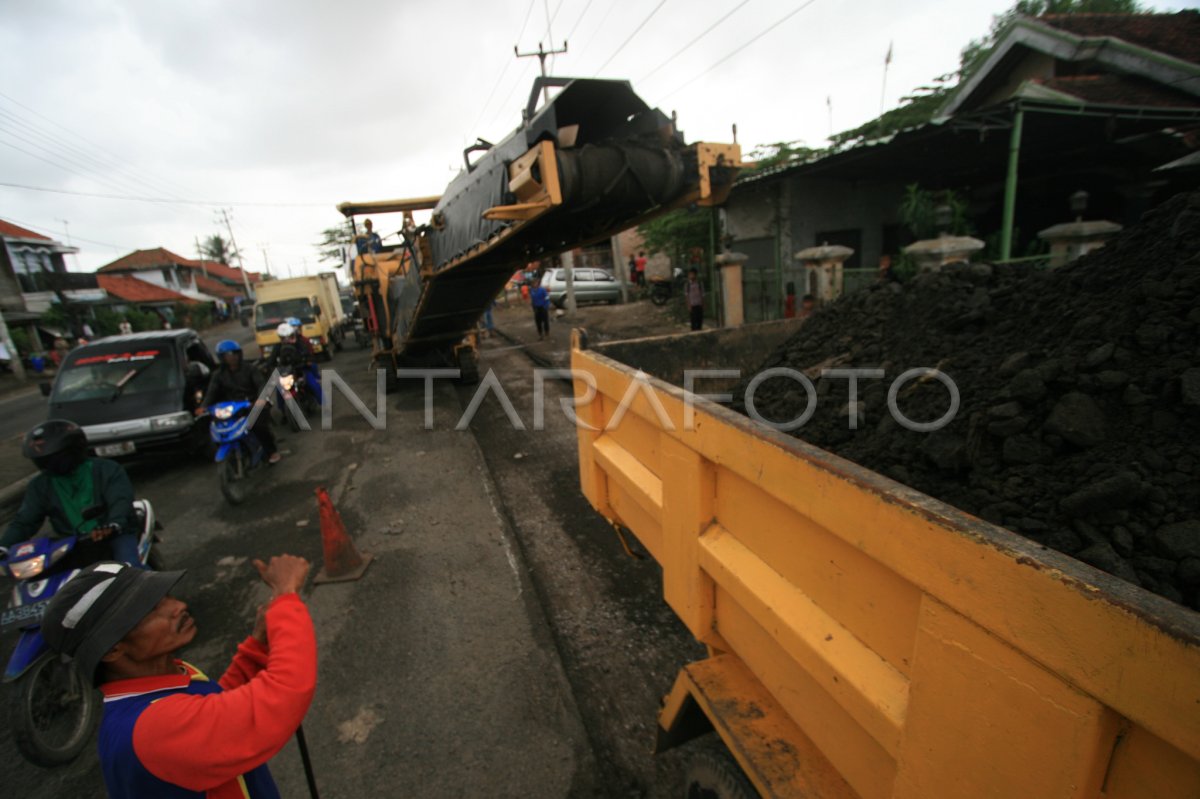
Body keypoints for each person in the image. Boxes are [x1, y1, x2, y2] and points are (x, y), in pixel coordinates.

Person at [40, 554, 316, 799]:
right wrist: (284, 597)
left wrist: (256, 647)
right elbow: (283, 694)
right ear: (112, 649)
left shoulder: (163, 678)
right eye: (150, 609)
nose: (178, 606)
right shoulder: (152, 730)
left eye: (165, 596)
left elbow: (214, 711)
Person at [1, 420, 143, 567]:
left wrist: (113, 524)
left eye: (52, 458)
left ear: (72, 451)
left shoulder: (107, 469)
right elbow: (25, 521)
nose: (47, 464)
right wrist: (4, 545)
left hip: (116, 535)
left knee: (130, 569)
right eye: (42, 460)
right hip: (72, 543)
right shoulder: (40, 485)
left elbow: (120, 500)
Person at [201, 340, 281, 464]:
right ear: (222, 358)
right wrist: (204, 406)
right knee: (216, 427)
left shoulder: (250, 369)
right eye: (228, 355)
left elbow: (261, 385)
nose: (232, 357)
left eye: (234, 354)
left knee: (259, 426)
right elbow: (212, 392)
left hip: (253, 404)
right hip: (232, 408)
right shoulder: (218, 374)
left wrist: (260, 400)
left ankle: (271, 451)